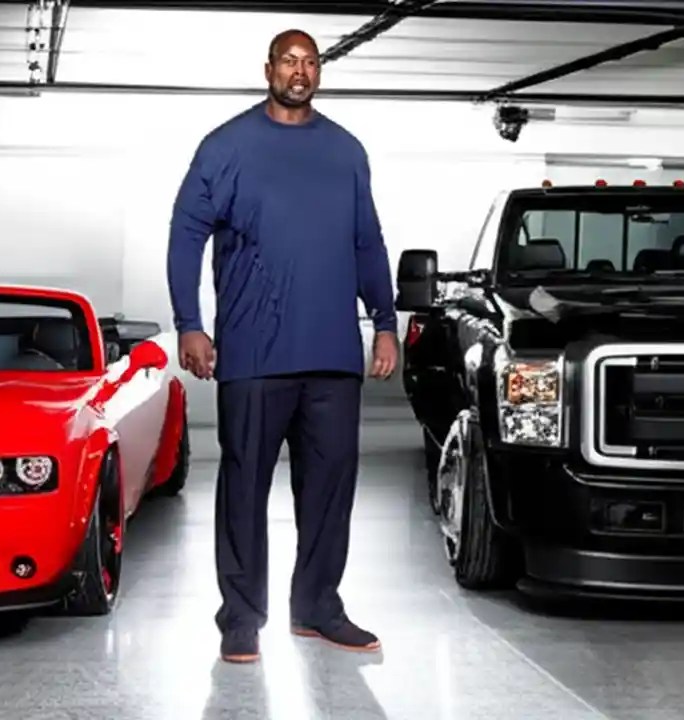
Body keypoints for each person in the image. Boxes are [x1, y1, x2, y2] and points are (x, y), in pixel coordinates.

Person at [166, 28, 398, 664]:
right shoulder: (226, 147)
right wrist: (190, 322)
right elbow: (186, 234)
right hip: (254, 355)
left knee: (330, 489)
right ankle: (241, 616)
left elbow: (367, 240)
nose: (300, 71)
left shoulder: (347, 151)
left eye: (310, 62)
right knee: (244, 488)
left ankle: (318, 606)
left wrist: (384, 319)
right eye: (289, 61)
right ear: (268, 68)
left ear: (319, 72)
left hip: (331, 354)